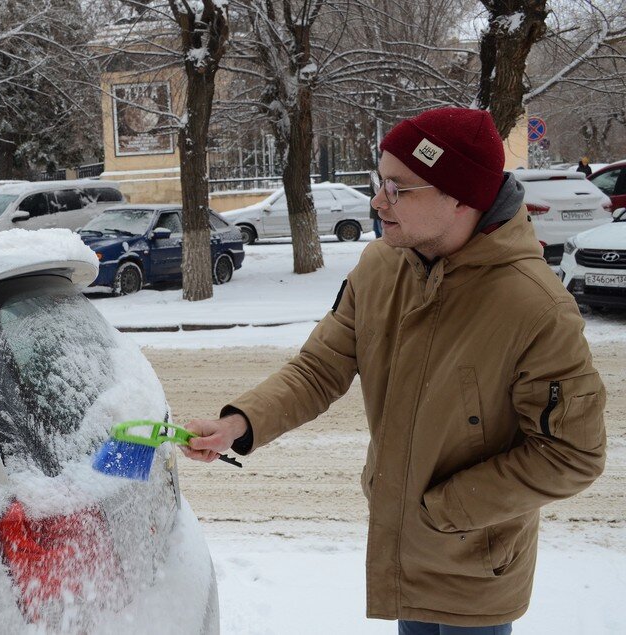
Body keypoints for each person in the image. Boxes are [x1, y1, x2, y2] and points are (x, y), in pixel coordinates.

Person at [183, 107, 607, 634]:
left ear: (460, 197)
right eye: (378, 181)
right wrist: (237, 424)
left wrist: (441, 509)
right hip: (403, 557)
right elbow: (320, 368)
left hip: (474, 571)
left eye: (399, 189)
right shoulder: (382, 266)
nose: (378, 201)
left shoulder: (535, 307)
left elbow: (573, 455)